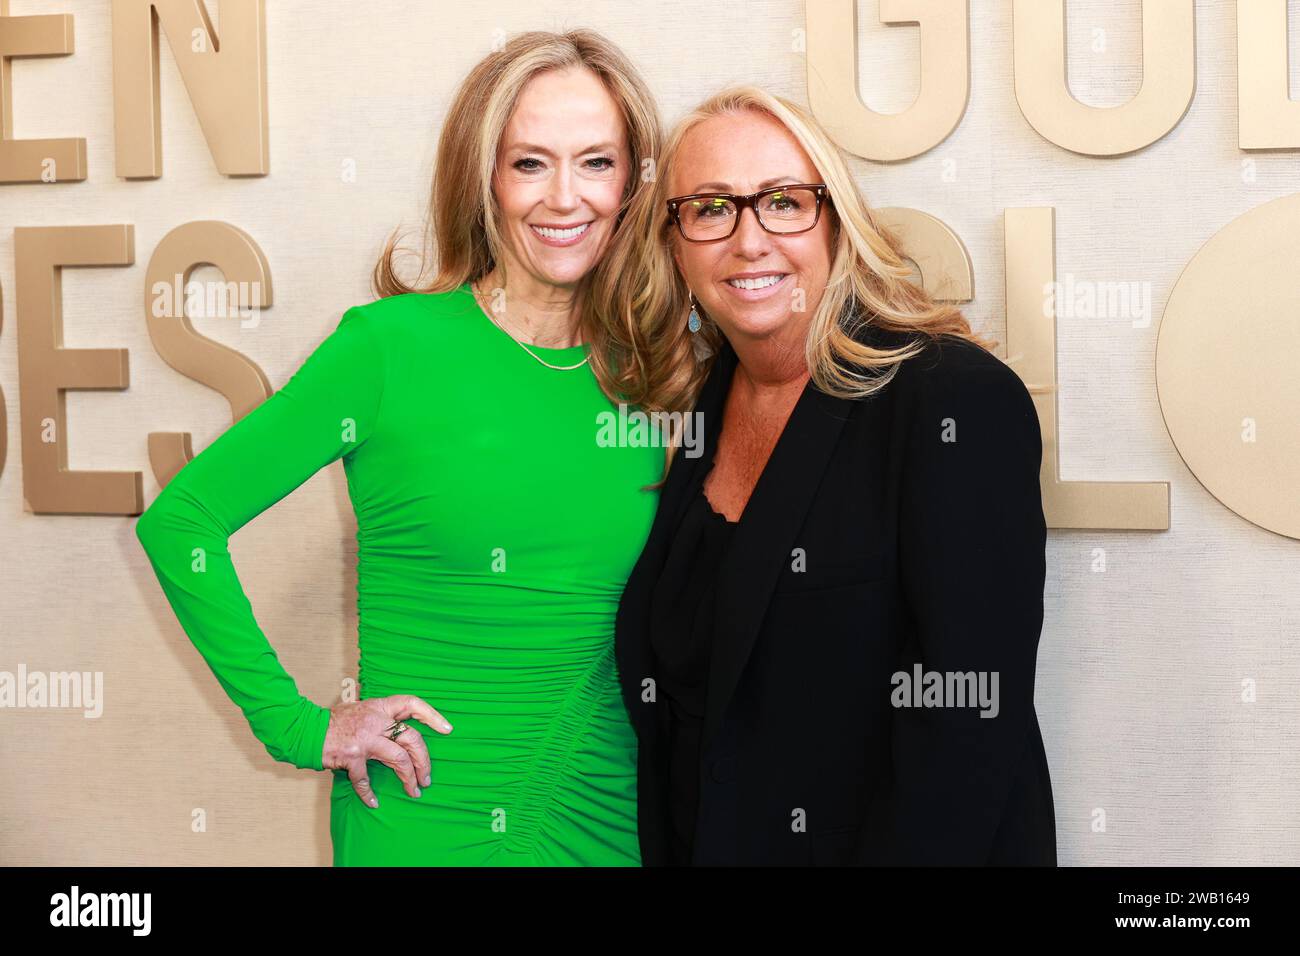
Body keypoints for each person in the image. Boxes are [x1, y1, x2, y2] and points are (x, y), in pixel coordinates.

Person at [135, 29, 663, 866]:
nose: (566, 197)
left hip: (616, 813)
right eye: (530, 163)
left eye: (596, 162)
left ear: (634, 180)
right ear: (483, 177)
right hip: (428, 815)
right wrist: (297, 725)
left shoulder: (662, 367)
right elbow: (181, 521)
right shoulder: (388, 349)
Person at [595, 86, 1057, 865]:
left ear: (837, 223)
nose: (749, 241)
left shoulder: (952, 400)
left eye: (783, 202)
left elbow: (966, 729)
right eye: (710, 208)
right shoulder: (695, 407)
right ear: (673, 242)